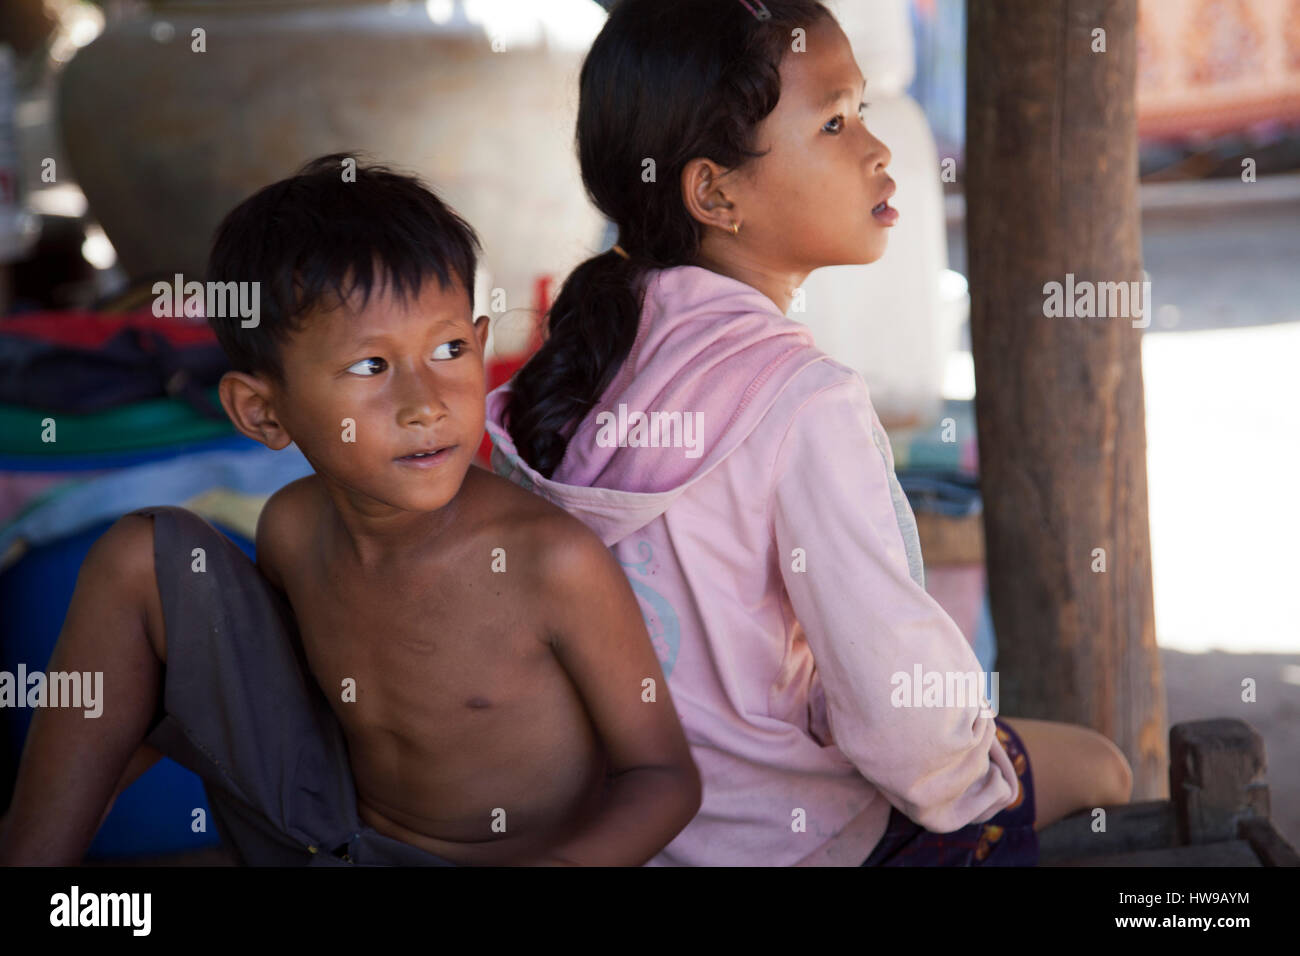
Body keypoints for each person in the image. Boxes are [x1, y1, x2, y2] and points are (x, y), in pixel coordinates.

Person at [488, 0, 1133, 866]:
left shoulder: (572, 365)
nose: (876, 150)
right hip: (785, 840)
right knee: (1100, 767)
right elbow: (909, 729)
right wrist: (970, 777)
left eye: (862, 111)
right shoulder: (801, 399)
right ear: (715, 192)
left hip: (627, 828)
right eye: (833, 122)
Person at [0, 154, 700, 867]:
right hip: (324, 833)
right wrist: (101, 759)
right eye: (371, 366)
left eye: (450, 349)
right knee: (138, 555)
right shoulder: (292, 529)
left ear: (484, 348)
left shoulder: (550, 561)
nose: (424, 402)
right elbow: (235, 696)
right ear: (262, 412)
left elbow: (663, 779)